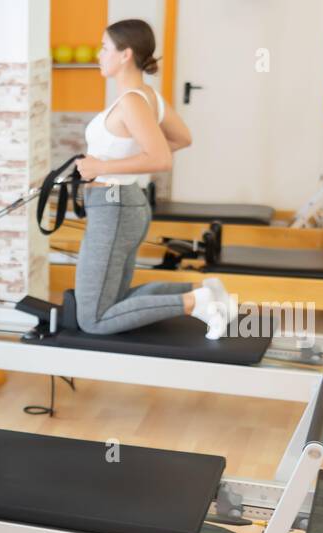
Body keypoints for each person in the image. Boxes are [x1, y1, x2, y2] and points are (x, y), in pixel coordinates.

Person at [74, 19, 232, 338]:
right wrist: (129, 158)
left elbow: (160, 158)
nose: (99, 54)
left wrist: (100, 168)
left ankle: (196, 301)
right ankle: (205, 290)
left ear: (125, 55)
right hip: (123, 205)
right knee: (113, 300)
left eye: (105, 48)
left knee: (93, 319)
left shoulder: (132, 101)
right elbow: (182, 139)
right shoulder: (148, 96)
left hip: (114, 207)